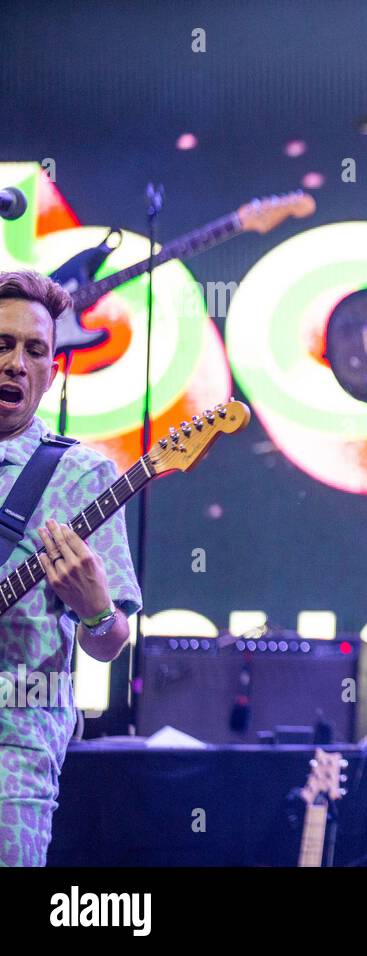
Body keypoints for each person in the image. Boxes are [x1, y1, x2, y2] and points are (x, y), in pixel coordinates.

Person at [0, 271, 141, 866]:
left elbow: (110, 644)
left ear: (51, 374)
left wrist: (95, 608)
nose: (15, 363)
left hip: (14, 749)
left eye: (34, 350)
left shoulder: (81, 475)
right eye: (2, 343)